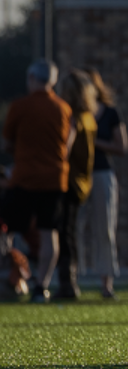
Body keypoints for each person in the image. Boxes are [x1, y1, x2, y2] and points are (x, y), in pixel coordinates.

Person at [1, 60, 73, 303]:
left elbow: (7, 142)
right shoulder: (63, 108)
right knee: (49, 232)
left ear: (31, 78)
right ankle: (42, 286)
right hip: (54, 179)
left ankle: (8, 276)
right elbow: (66, 144)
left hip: (24, 177)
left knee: (5, 226)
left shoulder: (20, 107)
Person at [56, 69, 99, 300]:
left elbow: (65, 150)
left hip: (68, 180)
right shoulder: (89, 117)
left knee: (64, 232)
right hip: (83, 181)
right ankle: (70, 281)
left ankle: (67, 282)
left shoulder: (73, 119)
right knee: (70, 231)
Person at [84, 69, 127, 298]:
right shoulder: (74, 112)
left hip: (102, 174)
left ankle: (106, 283)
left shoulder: (110, 113)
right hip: (78, 175)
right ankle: (73, 278)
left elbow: (122, 147)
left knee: (105, 228)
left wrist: (94, 142)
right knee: (74, 228)